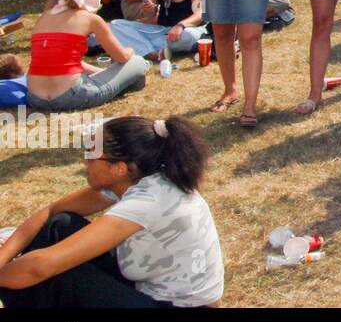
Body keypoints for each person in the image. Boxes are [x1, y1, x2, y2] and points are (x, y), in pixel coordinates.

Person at [0, 116, 223, 308]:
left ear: (119, 169)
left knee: (56, 276)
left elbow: (38, 268)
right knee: (61, 225)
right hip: (151, 292)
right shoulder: (141, 178)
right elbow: (52, 211)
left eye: (92, 153)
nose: (84, 159)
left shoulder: (147, 202)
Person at [24, 0, 149, 111]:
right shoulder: (91, 19)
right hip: (71, 96)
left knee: (115, 73)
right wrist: (130, 50)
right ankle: (126, 83)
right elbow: (122, 57)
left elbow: (61, 61)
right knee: (137, 62)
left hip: (35, 98)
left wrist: (103, 72)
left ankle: (121, 81)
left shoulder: (44, 17)